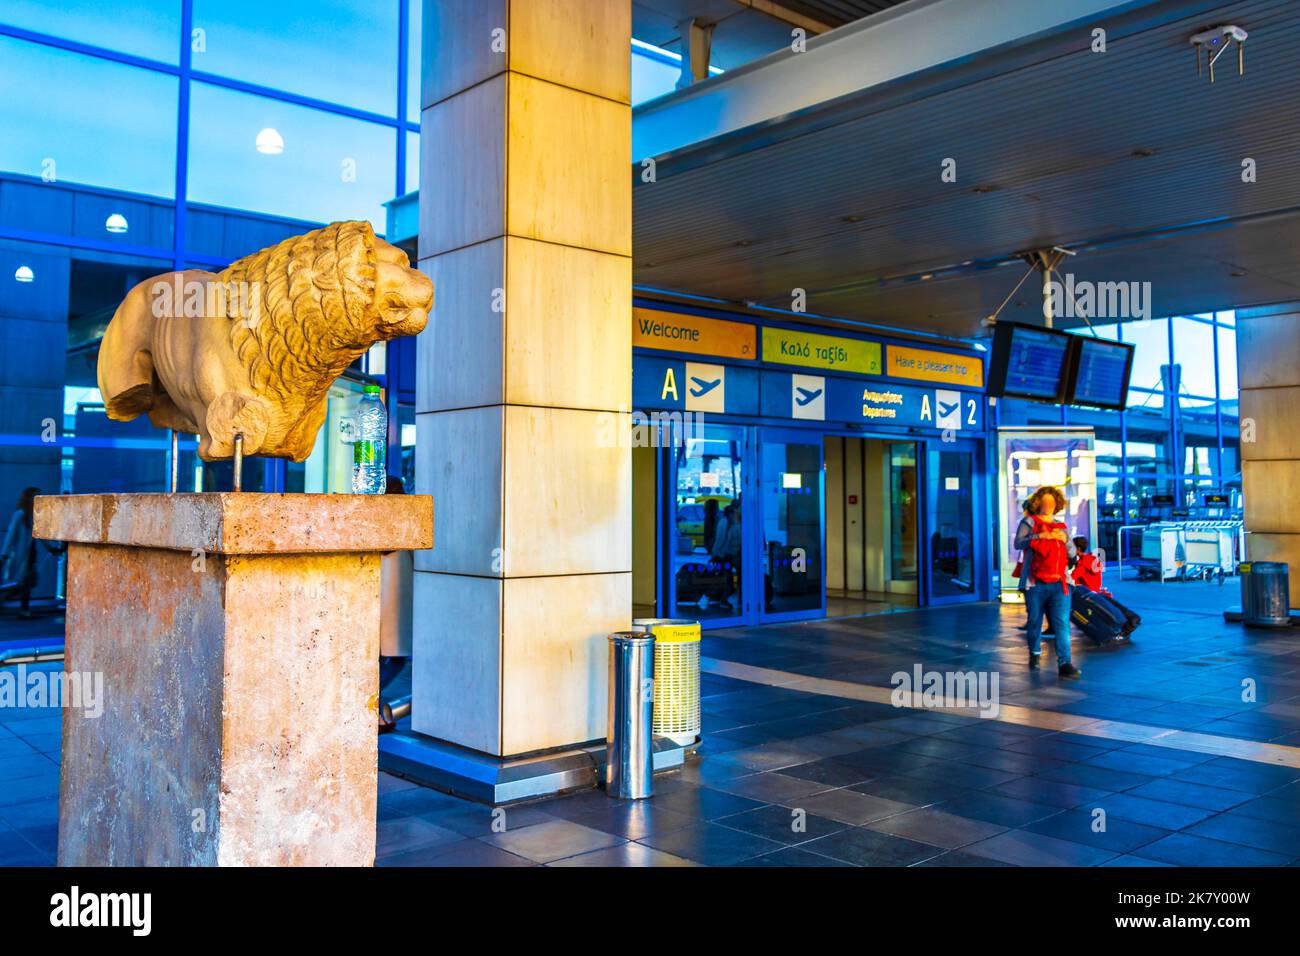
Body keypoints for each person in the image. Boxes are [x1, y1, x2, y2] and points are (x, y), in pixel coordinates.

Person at [1013, 486, 1082, 679]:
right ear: (1038, 503)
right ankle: (1035, 653)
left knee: (1061, 624)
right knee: (1034, 621)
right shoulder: (1028, 522)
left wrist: (1065, 539)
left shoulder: (1061, 526)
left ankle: (1065, 663)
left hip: (1060, 582)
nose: (1048, 506)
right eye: (1045, 503)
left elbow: (1072, 553)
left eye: (1052, 503)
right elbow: (1018, 544)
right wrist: (1041, 536)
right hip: (1034, 583)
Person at [2, 487, 60, 619]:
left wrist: (50, 548)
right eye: (36, 496)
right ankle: (23, 609)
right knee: (23, 583)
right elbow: (11, 534)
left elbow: (40, 535)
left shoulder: (34, 515)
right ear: (28, 498)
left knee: (26, 583)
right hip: (23, 556)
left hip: (31, 555)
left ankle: (18, 607)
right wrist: (4, 554)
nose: (39, 499)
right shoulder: (21, 514)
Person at [378, 476, 413, 691]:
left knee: (383, 659)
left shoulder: (380, 529)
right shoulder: (405, 528)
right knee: (394, 660)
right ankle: (373, 707)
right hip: (398, 606)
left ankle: (375, 708)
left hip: (384, 604)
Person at [1071, 536, 1141, 638]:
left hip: (1090, 594)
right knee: (1114, 607)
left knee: (1108, 612)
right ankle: (1131, 619)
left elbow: (1073, 577)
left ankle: (1129, 621)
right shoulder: (1092, 559)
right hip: (1097, 591)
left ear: (1077, 549)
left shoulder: (1082, 563)